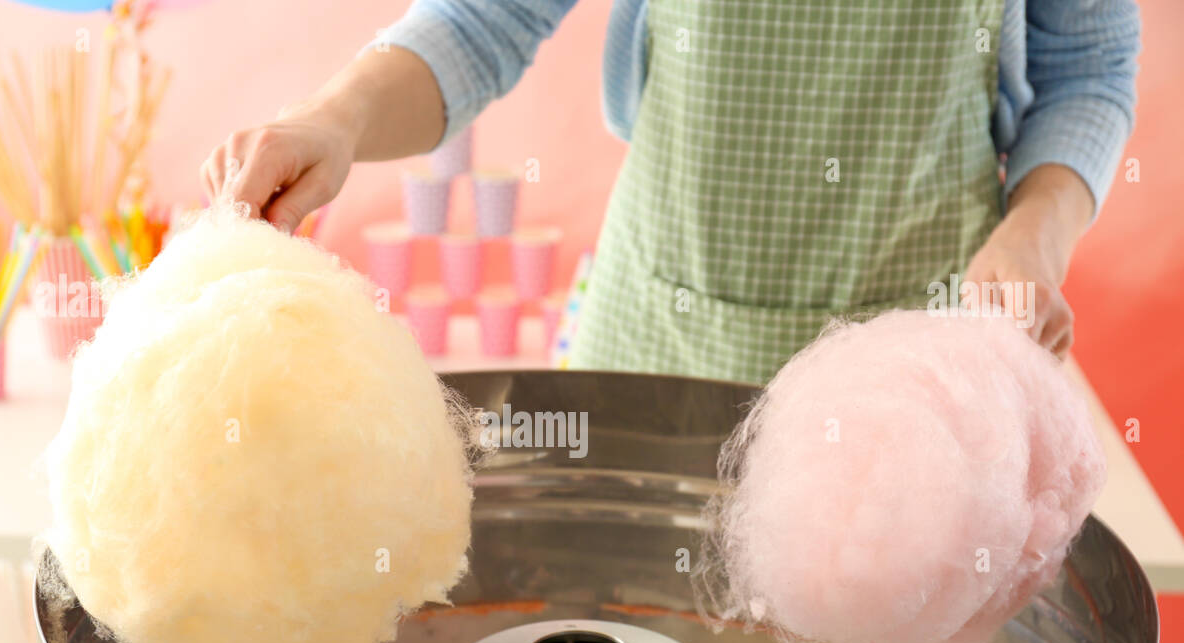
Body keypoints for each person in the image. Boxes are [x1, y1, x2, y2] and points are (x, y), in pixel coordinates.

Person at [201, 0, 1140, 382]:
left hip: (922, 362)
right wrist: (340, 118)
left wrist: (1034, 238)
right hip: (657, 351)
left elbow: (1089, 69)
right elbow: (489, 16)